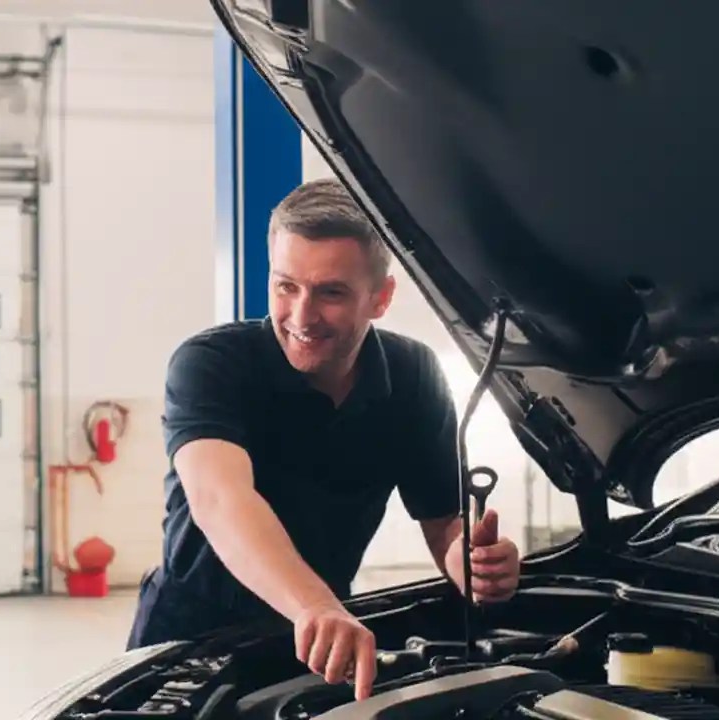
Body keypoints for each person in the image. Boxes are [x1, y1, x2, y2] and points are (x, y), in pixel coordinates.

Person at [127, 178, 523, 701]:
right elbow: (220, 499)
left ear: (380, 298)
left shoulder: (413, 375)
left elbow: (444, 519)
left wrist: (468, 563)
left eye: (331, 292)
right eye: (285, 286)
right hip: (190, 645)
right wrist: (315, 605)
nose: (301, 316)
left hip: (323, 644)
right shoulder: (211, 364)